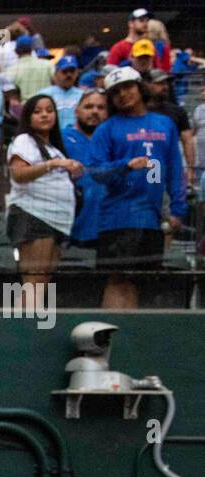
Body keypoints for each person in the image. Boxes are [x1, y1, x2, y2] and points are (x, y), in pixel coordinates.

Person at [88, 67, 186, 310]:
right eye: (116, 92)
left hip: (152, 218)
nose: (123, 94)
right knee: (117, 279)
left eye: (128, 87)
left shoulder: (165, 124)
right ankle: (109, 335)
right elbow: (96, 171)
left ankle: (128, 340)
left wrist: (178, 208)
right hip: (117, 218)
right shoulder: (106, 129)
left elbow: (175, 167)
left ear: (140, 88)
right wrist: (126, 165)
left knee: (139, 283)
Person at [6, 94, 83, 312]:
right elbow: (19, 174)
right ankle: (24, 331)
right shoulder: (24, 141)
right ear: (28, 117)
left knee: (42, 281)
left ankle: (33, 328)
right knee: (34, 280)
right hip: (34, 215)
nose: (45, 115)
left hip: (57, 220)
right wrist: (54, 164)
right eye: (38, 111)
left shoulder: (54, 148)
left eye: (49, 110)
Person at [61, 90, 109, 250]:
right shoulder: (61, 139)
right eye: (88, 106)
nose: (95, 111)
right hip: (72, 226)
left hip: (108, 227)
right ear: (76, 110)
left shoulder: (112, 141)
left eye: (101, 107)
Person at [147, 70, 195, 177]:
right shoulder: (140, 111)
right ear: (148, 85)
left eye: (165, 83)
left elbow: (187, 141)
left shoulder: (177, 111)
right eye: (159, 83)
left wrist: (190, 170)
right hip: (145, 166)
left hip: (172, 167)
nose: (165, 87)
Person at [39, 55, 84, 130]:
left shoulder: (83, 95)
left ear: (77, 73)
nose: (69, 75)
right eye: (64, 71)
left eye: (72, 71)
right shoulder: (44, 94)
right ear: (56, 73)